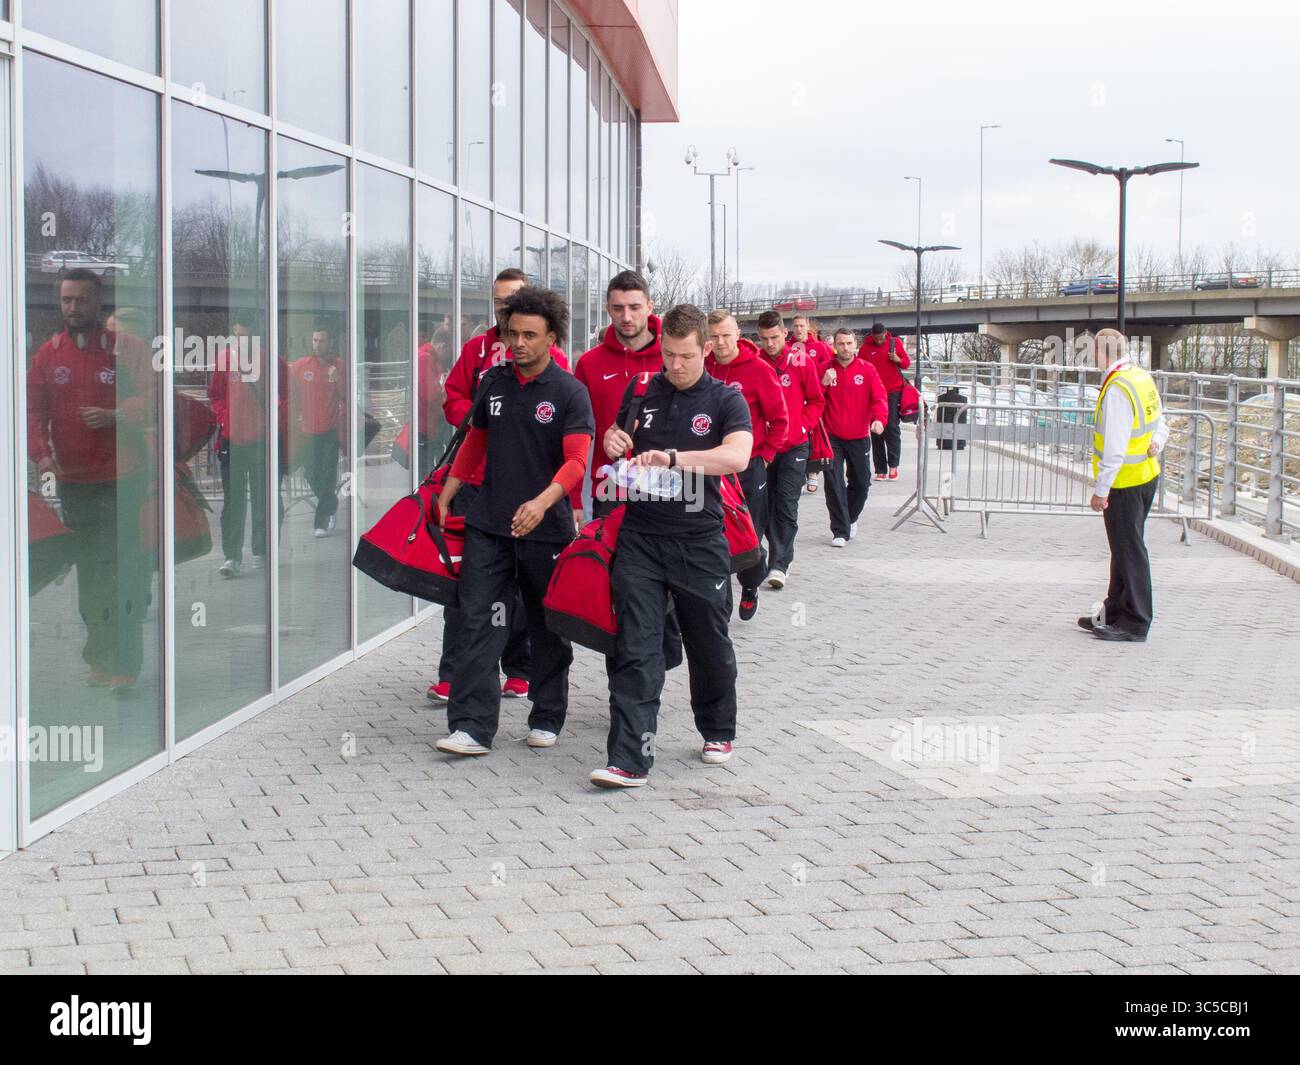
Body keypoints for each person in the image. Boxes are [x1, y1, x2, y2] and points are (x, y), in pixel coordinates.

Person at [594, 304, 753, 788]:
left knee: (708, 641)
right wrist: (614, 441)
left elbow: (738, 456)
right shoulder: (642, 390)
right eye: (668, 355)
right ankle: (629, 759)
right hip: (640, 536)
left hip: (699, 540)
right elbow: (614, 438)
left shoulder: (727, 399)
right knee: (636, 647)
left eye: (685, 356)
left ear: (706, 348)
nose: (675, 365)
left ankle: (717, 728)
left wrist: (675, 458)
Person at [434, 286, 594, 754]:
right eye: (512, 333)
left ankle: (547, 714)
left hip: (545, 529)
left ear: (551, 338)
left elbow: (576, 462)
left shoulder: (570, 392)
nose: (518, 342)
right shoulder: (494, 383)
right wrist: (449, 490)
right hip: (489, 524)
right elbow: (475, 442)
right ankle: (471, 727)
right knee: (477, 621)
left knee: (546, 625)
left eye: (529, 334)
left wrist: (543, 502)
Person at [27, 270, 156, 692]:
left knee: (121, 570)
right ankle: (99, 657)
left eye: (81, 300)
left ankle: (125, 663)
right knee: (90, 573)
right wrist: (42, 455)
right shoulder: (48, 355)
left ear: (97, 303)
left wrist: (117, 416)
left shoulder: (127, 348)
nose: (73, 308)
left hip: (124, 477)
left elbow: (151, 399)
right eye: (66, 300)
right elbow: (34, 412)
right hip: (76, 481)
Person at [1081, 328, 1168, 643]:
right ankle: (1114, 611)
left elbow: (1115, 448)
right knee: (1123, 548)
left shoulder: (1117, 388)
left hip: (1125, 483)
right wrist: (1156, 442)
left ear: (1099, 351)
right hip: (1146, 477)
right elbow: (1162, 421)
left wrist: (1101, 491)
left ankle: (1135, 620)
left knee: (1128, 549)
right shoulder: (1139, 377)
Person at [705, 309, 788, 620]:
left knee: (746, 535)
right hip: (709, 466)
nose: (721, 342)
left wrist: (765, 457)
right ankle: (720, 598)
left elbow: (780, 420)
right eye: (714, 337)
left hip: (748, 467)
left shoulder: (758, 370)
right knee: (714, 533)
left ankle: (751, 583)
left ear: (738, 334)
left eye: (726, 335)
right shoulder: (702, 367)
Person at [574, 270, 665, 518]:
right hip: (610, 486)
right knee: (610, 558)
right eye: (618, 308)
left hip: (668, 486)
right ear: (607, 309)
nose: (626, 316)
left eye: (635, 307)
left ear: (649, 307)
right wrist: (573, 500)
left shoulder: (674, 357)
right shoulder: (589, 363)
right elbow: (575, 433)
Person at [209, 311, 287, 577]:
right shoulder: (223, 359)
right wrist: (225, 418)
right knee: (233, 501)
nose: (242, 341)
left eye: (247, 336)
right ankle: (232, 556)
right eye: (238, 336)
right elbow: (216, 395)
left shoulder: (271, 361)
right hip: (232, 440)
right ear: (233, 333)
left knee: (265, 497)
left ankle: (262, 550)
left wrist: (270, 419)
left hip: (262, 442)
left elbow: (285, 396)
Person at [754, 310, 824, 591]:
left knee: (786, 503)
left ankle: (779, 563)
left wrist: (802, 428)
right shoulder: (755, 363)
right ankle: (776, 551)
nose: (770, 344)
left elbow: (816, 400)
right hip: (764, 447)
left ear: (785, 334)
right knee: (763, 507)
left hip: (794, 445)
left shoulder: (801, 362)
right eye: (764, 339)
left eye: (774, 337)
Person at [820, 328, 887, 546]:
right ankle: (840, 530)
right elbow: (812, 399)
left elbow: (879, 398)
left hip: (859, 435)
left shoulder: (867, 370)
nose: (845, 348)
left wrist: (879, 419)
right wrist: (823, 384)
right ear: (835, 346)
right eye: (841, 344)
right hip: (832, 436)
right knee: (834, 482)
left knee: (861, 482)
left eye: (849, 343)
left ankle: (850, 517)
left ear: (855, 345)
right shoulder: (825, 370)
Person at [288, 324, 344, 538]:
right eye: (315, 340)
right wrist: (295, 418)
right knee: (311, 473)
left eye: (322, 340)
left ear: (330, 343)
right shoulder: (301, 366)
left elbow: (346, 396)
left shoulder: (338, 366)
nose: (318, 344)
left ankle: (320, 523)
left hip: (330, 432)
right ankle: (331, 503)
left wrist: (337, 379)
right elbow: (291, 394)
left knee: (328, 476)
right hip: (308, 432)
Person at [858, 322, 911, 481]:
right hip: (873, 393)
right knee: (876, 431)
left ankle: (893, 466)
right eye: (876, 339)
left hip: (892, 392)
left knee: (892, 428)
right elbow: (859, 368)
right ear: (871, 336)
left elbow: (906, 363)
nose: (879, 342)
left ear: (886, 334)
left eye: (881, 338)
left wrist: (897, 359)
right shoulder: (865, 349)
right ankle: (880, 469)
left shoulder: (895, 343)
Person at [791, 314, 834, 494]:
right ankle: (799, 474)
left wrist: (823, 385)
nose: (799, 329)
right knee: (799, 436)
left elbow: (831, 368)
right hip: (796, 401)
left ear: (807, 326)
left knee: (814, 436)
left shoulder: (820, 347)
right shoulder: (789, 348)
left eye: (801, 325)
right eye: (796, 326)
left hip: (816, 397)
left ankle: (813, 471)